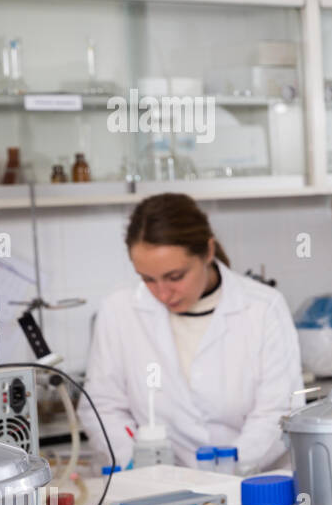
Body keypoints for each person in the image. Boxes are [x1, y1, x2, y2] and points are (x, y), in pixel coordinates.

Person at [80, 193, 303, 472]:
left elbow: (279, 410)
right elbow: (103, 407)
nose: (162, 293)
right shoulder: (118, 311)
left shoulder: (263, 307)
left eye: (175, 277)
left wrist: (224, 471)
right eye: (148, 279)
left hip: (248, 484)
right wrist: (144, 468)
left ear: (208, 252)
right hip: (153, 488)